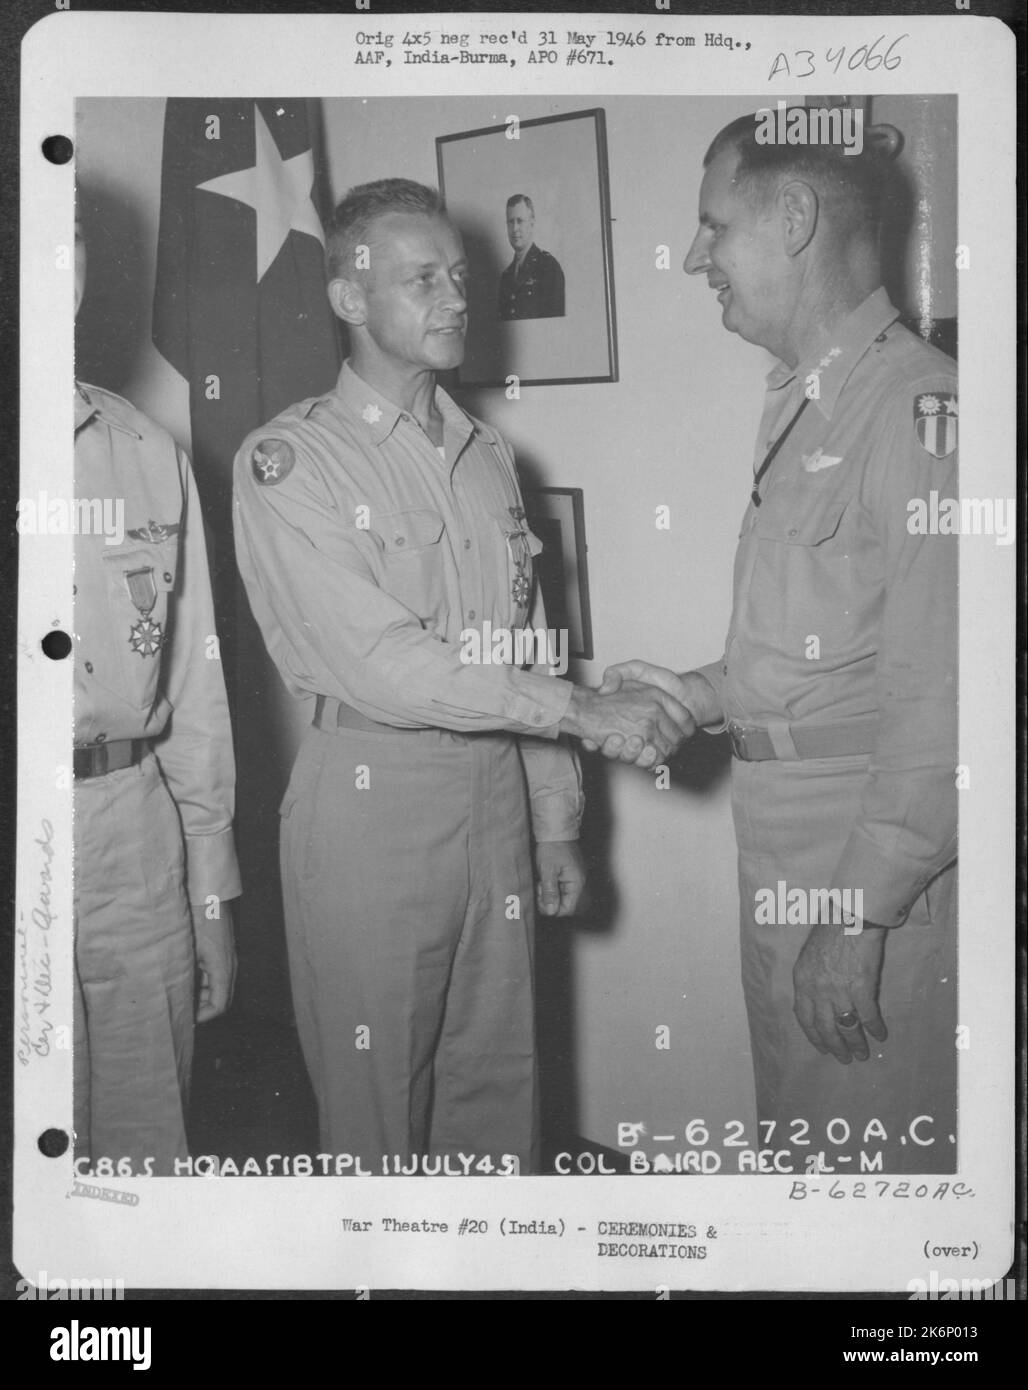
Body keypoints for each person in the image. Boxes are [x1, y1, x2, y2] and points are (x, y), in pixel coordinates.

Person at [233, 179, 691, 1173]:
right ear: (350, 300)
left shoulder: (488, 455)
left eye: (456, 276)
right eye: (419, 280)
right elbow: (385, 663)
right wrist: (583, 713)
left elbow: (523, 636)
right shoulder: (290, 461)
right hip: (372, 793)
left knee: (498, 1088)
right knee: (378, 1110)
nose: (452, 298)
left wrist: (553, 816)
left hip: (494, 797)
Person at [600, 115, 958, 1173]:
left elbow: (943, 697)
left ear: (793, 217)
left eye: (713, 225)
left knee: (868, 1178)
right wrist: (697, 692)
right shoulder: (813, 402)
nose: (692, 255)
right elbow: (825, 649)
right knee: (806, 1151)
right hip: (793, 840)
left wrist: (855, 917)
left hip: (864, 861)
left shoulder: (916, 408)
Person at [73, 216, 240, 1176]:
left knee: (145, 1152)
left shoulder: (142, 450)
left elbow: (194, 683)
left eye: (77, 234)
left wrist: (211, 892)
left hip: (133, 835)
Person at [497, 195, 566, 320]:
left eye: (520, 221)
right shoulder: (505, 277)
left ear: (532, 222)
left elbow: (556, 325)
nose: (514, 229)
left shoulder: (548, 267)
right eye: (510, 222)